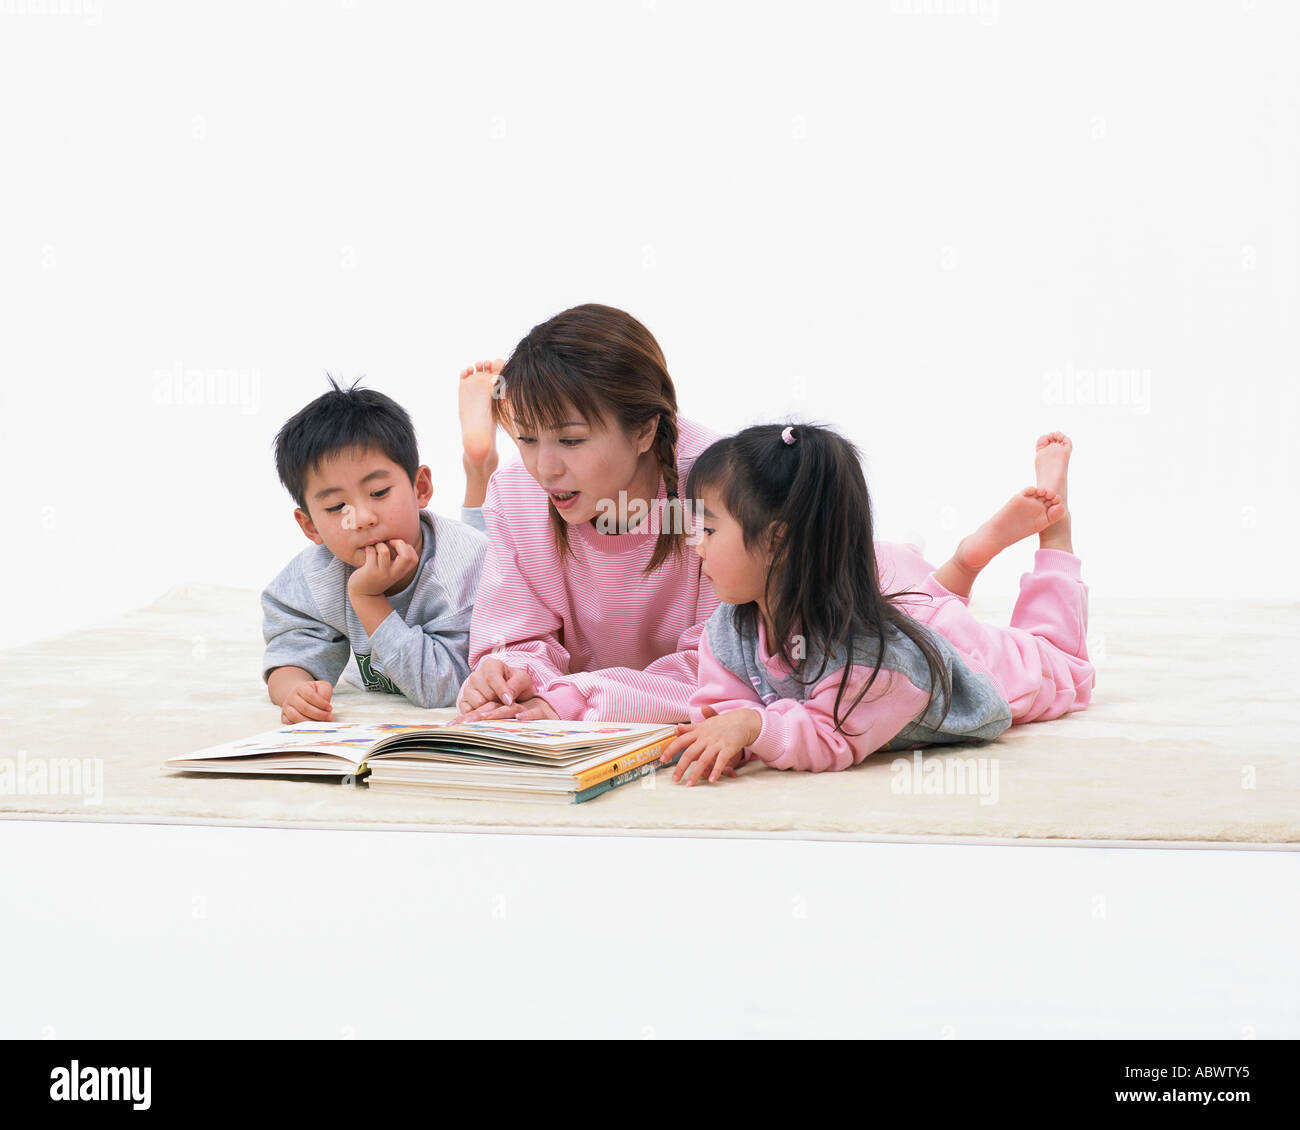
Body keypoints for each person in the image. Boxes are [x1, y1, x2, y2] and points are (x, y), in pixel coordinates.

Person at [663, 426, 1094, 785]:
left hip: (967, 664)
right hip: (911, 621)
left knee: (1060, 661)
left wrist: (754, 727)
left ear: (777, 541)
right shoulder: (731, 625)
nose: (696, 546)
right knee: (923, 615)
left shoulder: (870, 663)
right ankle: (962, 564)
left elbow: (832, 739)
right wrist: (731, 731)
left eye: (710, 531)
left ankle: (1055, 526)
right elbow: (724, 700)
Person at [451, 304, 722, 724]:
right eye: (526, 438)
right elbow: (515, 641)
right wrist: (509, 678)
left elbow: (721, 672)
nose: (545, 469)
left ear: (645, 430)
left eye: (571, 440)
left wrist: (571, 699)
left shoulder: (720, 490)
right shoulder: (515, 494)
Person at [261, 378, 488, 721]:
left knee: (493, 543)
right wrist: (295, 691)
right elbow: (291, 653)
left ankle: (480, 469)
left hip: (481, 556)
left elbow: (443, 687)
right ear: (310, 526)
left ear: (420, 487)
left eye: (380, 492)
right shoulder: (316, 575)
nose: (362, 518)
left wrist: (367, 599)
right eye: (337, 507)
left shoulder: (466, 568)